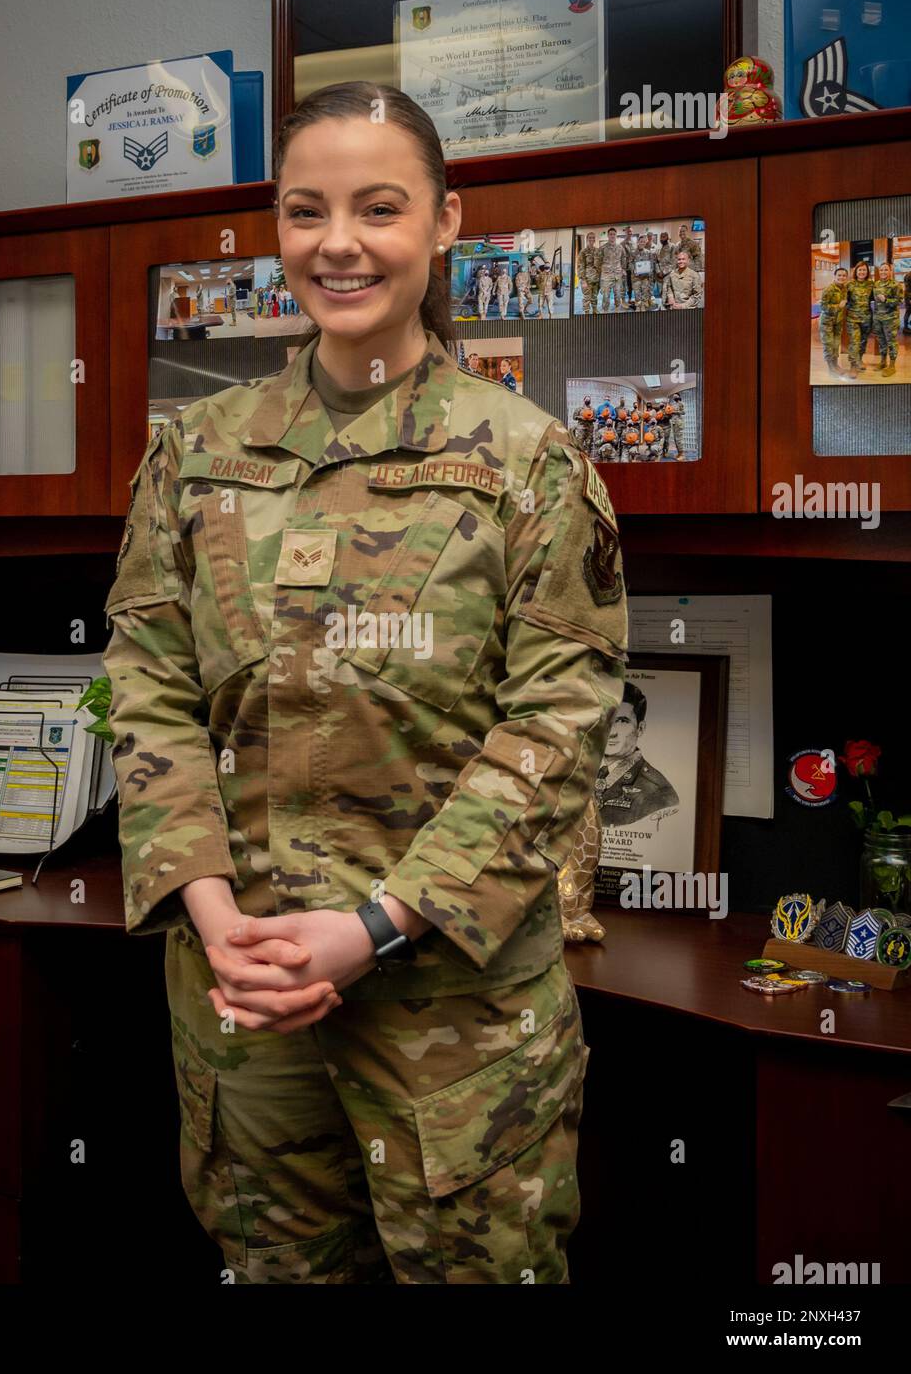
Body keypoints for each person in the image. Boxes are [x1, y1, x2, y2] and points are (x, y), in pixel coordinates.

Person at [102, 80, 628, 1285]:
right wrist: (211, 909)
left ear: (445, 224)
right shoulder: (195, 453)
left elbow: (555, 728)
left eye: (378, 208)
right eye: (305, 211)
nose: (337, 243)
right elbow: (146, 687)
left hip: (457, 1032)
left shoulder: (527, 461)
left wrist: (374, 927)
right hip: (247, 1013)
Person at [595, 682, 678, 826]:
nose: (611, 732)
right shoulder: (580, 772)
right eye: (604, 719)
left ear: (640, 728)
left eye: (622, 721)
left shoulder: (658, 792)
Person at [871, 261, 902, 377]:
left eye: (886, 269)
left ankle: (892, 365)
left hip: (890, 319)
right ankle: (883, 362)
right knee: (881, 341)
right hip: (878, 318)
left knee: (891, 342)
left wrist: (886, 300)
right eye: (881, 270)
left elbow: (900, 301)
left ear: (890, 271)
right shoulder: (876, 284)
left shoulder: (895, 285)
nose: (883, 272)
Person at [844, 260, 874, 377]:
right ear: (856, 271)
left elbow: (875, 298)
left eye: (864, 270)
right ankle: (853, 366)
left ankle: (859, 360)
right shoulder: (849, 284)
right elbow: (843, 298)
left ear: (867, 272)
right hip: (853, 319)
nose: (862, 272)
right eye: (860, 270)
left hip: (867, 318)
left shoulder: (871, 284)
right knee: (854, 342)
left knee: (863, 342)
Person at [818, 266, 849, 377]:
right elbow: (822, 306)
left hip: (838, 322)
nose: (841, 277)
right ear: (835, 276)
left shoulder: (844, 288)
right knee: (828, 345)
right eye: (839, 275)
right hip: (827, 322)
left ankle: (835, 365)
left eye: (844, 275)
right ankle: (831, 368)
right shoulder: (829, 289)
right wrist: (838, 306)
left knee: (836, 344)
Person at [597, 227, 626, 312]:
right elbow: (598, 260)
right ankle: (605, 310)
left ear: (616, 235)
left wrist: (623, 268)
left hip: (617, 274)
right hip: (606, 275)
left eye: (614, 234)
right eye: (610, 234)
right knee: (606, 295)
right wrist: (602, 270)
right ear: (608, 235)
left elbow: (624, 258)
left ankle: (617, 308)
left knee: (617, 294)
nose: (612, 236)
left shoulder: (620, 247)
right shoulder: (603, 248)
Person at [577, 230, 600, 313]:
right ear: (587, 239)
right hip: (587, 279)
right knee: (587, 297)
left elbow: (600, 265)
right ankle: (586, 312)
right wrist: (583, 280)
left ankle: (594, 309)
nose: (591, 239)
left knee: (595, 296)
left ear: (594, 240)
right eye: (590, 238)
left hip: (596, 279)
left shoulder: (598, 251)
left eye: (593, 238)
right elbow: (580, 266)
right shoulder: (583, 252)